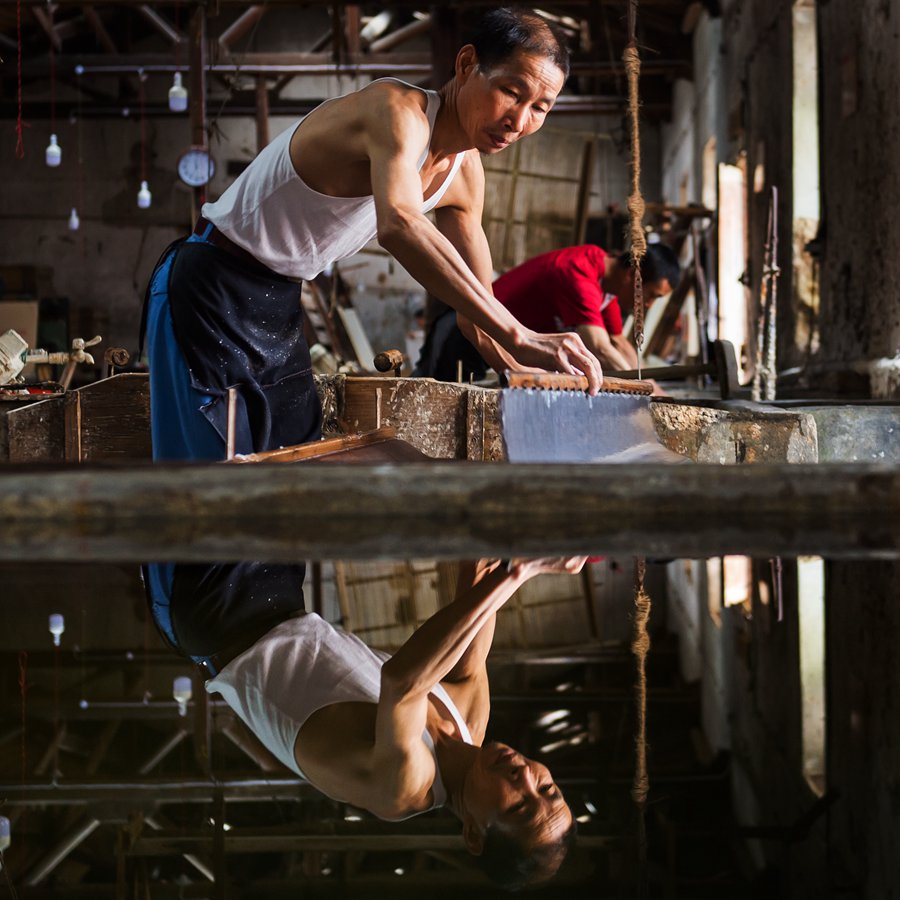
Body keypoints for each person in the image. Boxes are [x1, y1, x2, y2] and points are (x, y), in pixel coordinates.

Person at [141, 7, 602, 465]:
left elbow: (476, 313)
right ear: (466, 65)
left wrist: (529, 385)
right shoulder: (396, 110)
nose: (519, 121)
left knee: (288, 469)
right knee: (211, 480)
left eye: (539, 108)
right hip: (209, 285)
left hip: (279, 302)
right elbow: (399, 224)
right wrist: (522, 334)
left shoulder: (465, 176)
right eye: (510, 92)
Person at [148, 557, 583, 889]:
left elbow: (402, 684)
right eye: (547, 789)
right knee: (288, 444)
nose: (526, 775)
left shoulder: (404, 789)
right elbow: (480, 577)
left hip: (215, 616)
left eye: (519, 805)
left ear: (473, 833)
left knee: (209, 456)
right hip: (277, 597)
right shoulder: (472, 721)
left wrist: (519, 573)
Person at [415, 243, 681, 382]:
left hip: (500, 341)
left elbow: (618, 343)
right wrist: (640, 387)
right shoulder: (579, 272)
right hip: (464, 331)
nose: (648, 305)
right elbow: (599, 348)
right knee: (432, 404)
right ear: (633, 277)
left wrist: (653, 386)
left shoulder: (606, 287)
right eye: (651, 295)